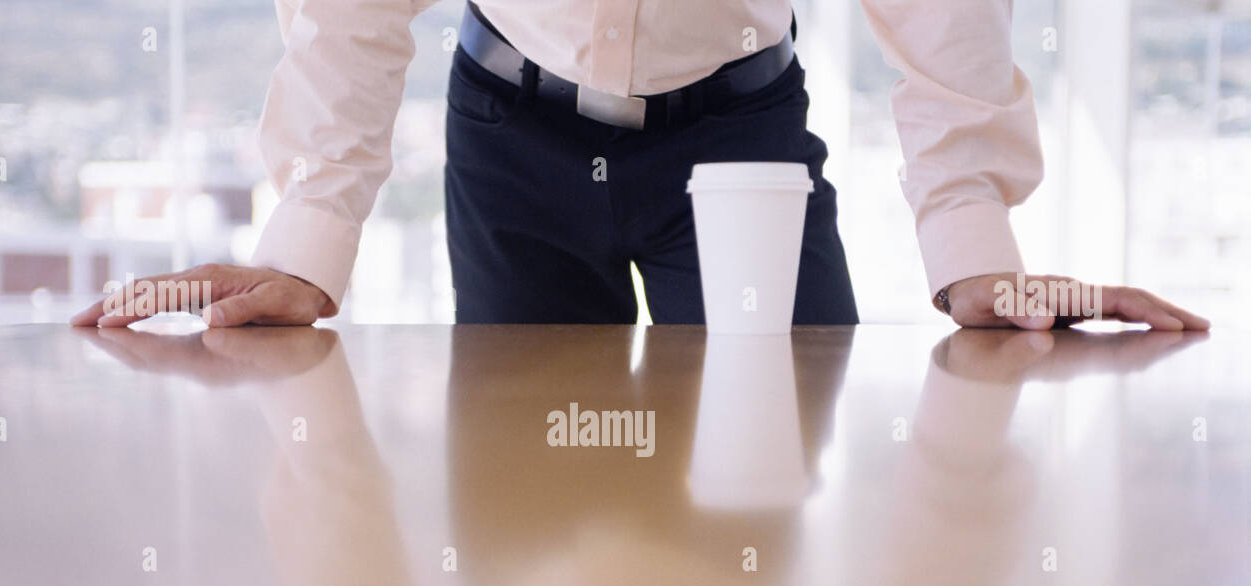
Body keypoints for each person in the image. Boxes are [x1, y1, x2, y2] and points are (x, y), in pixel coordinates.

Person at [72, 1, 1209, 332]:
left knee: (781, 511)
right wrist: (309, 239)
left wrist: (974, 247)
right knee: (527, 537)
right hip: (513, 139)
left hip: (741, 141)